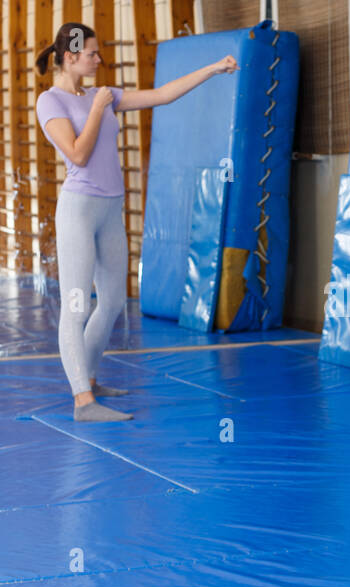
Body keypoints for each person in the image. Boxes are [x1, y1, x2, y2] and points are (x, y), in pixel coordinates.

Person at [34, 22, 237, 422]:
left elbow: (162, 95)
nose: (99, 59)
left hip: (111, 209)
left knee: (111, 301)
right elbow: (77, 154)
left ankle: (88, 380)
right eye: (92, 53)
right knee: (77, 306)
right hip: (78, 208)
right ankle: (82, 402)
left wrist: (212, 69)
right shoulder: (51, 101)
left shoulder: (102, 95)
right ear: (71, 57)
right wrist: (96, 109)